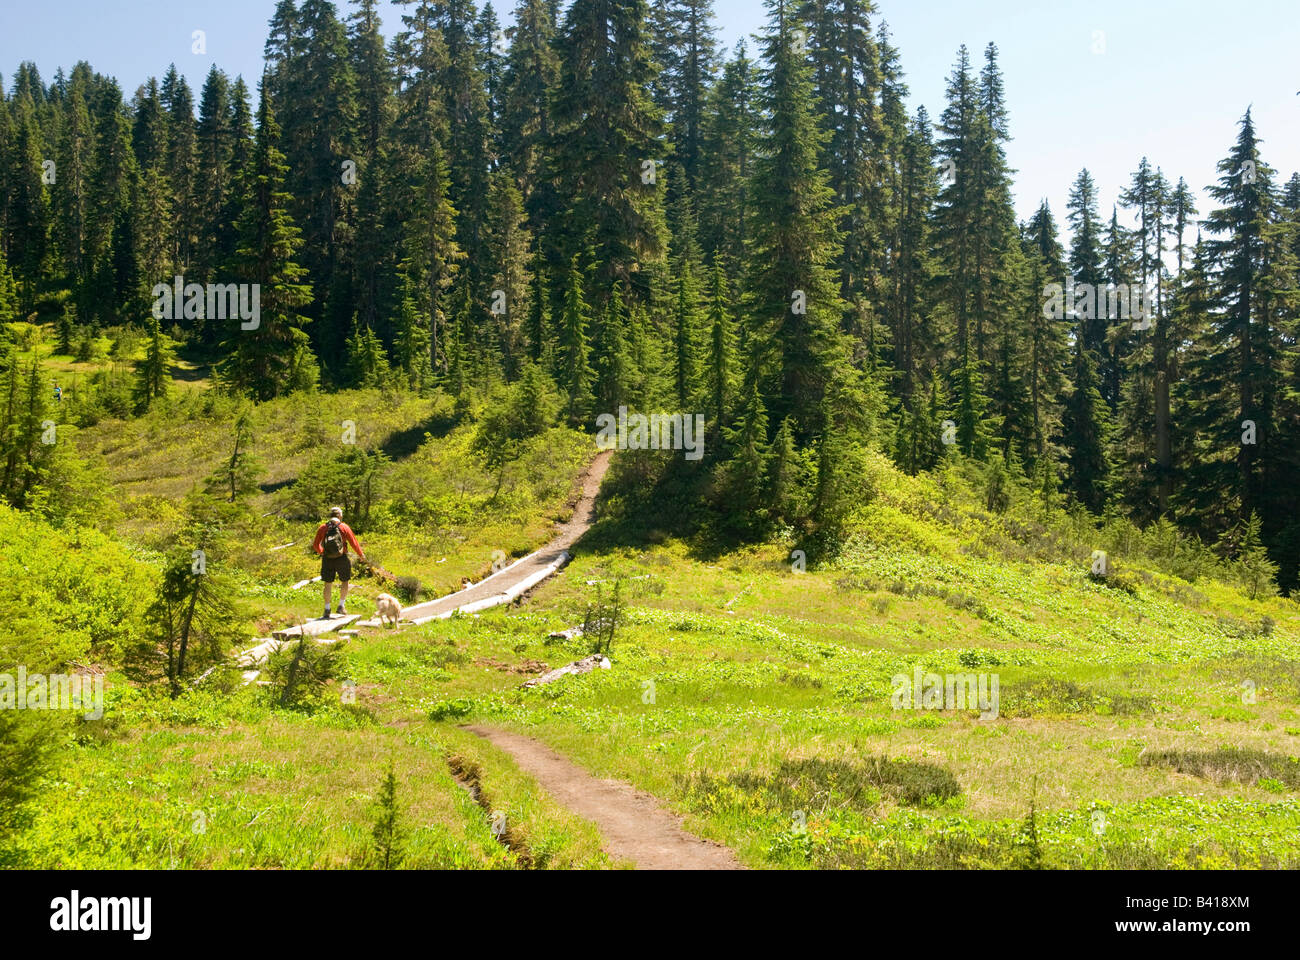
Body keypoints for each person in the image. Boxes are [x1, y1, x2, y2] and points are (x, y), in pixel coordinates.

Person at [312, 506, 367, 619]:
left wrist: (322, 552)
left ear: (331, 515)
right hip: (342, 558)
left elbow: (315, 545)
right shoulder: (344, 527)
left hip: (327, 558)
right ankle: (341, 606)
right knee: (345, 581)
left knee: (328, 583)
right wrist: (361, 555)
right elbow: (354, 543)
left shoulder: (323, 527)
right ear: (340, 516)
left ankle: (327, 609)